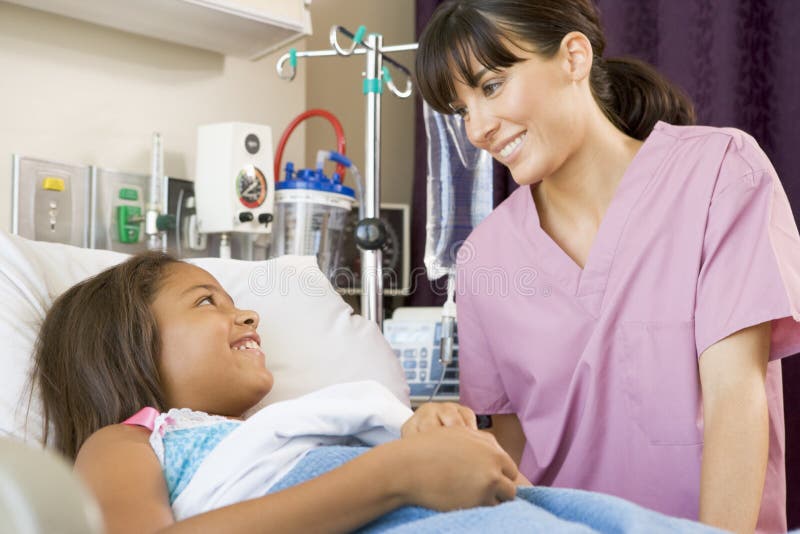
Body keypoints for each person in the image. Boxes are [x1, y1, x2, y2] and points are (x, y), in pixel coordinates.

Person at [412, 1, 800, 533]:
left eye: (492, 85)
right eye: (460, 110)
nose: (477, 128)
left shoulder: (720, 174)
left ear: (573, 56)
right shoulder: (484, 260)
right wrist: (449, 437)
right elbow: (509, 455)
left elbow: (737, 397)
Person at [31, 252, 521, 533]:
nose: (249, 316)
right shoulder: (127, 441)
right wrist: (397, 473)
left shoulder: (277, 429)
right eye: (206, 301)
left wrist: (423, 435)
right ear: (129, 346)